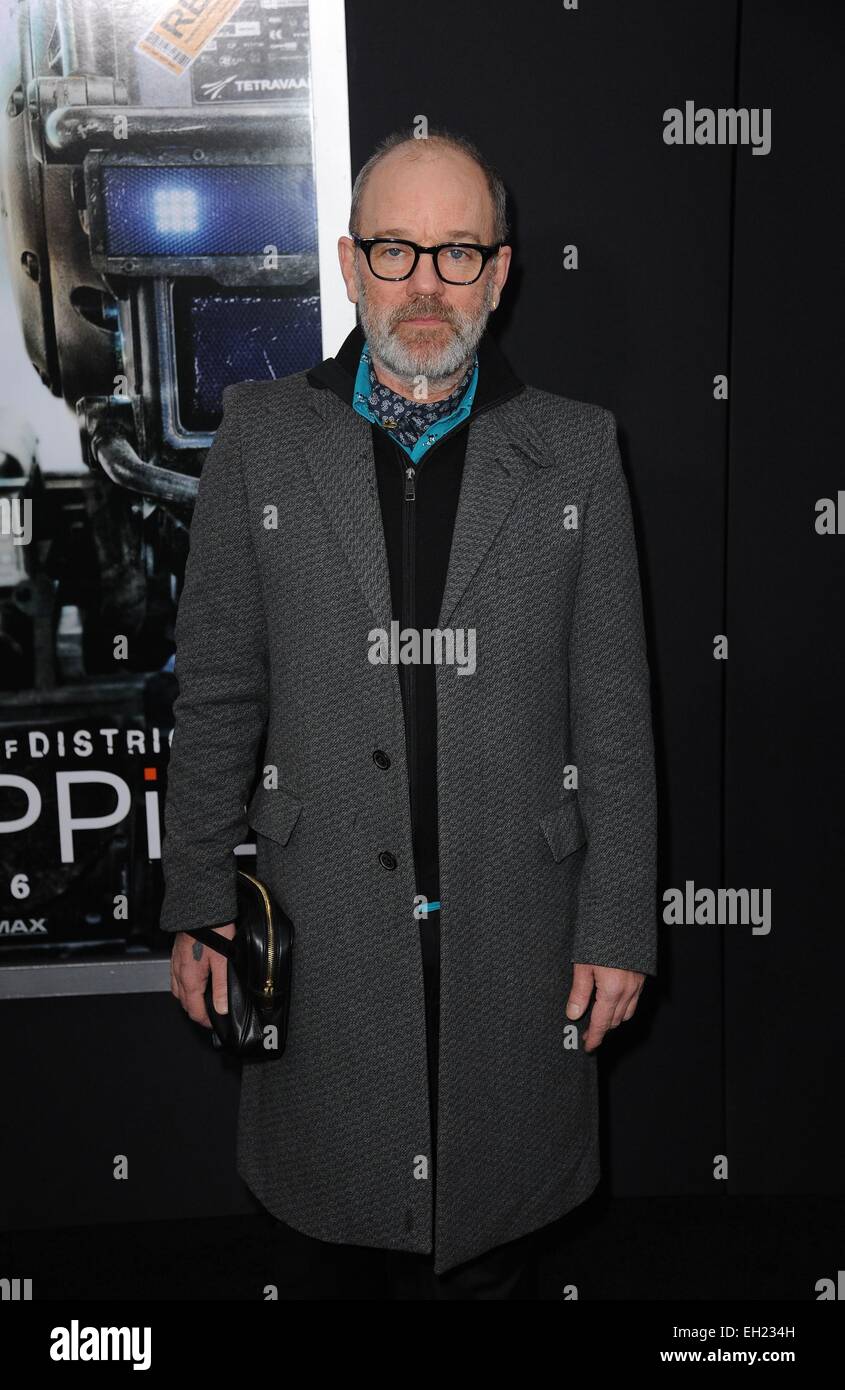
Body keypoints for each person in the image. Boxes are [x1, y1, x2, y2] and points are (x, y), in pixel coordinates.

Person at [161, 125, 657, 1300]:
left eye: (454, 252)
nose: (423, 284)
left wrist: (619, 924)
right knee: (328, 1236)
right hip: (319, 924)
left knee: (491, 1247)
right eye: (393, 250)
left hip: (517, 930)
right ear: (346, 263)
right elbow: (221, 685)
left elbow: (615, 715)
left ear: (498, 270)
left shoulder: (576, 452)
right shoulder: (260, 437)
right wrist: (192, 894)